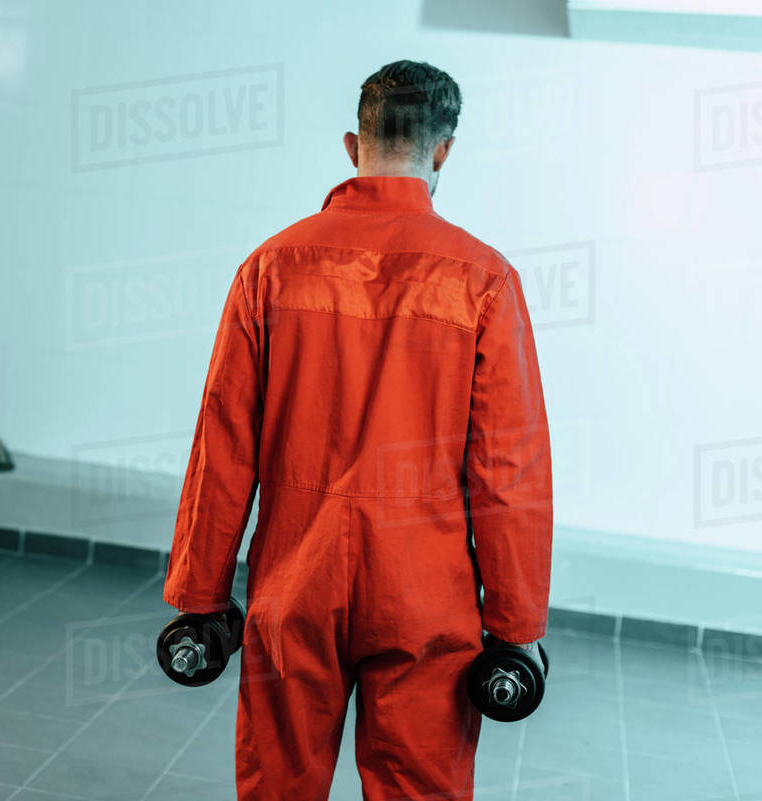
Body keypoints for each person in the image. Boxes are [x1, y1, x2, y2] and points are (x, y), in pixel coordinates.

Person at [163, 61, 552, 800]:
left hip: (293, 579)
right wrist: (515, 619)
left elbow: (224, 446)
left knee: (277, 784)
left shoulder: (271, 267)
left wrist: (201, 594)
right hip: (424, 590)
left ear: (353, 144)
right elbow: (509, 467)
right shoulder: (482, 279)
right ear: (443, 152)